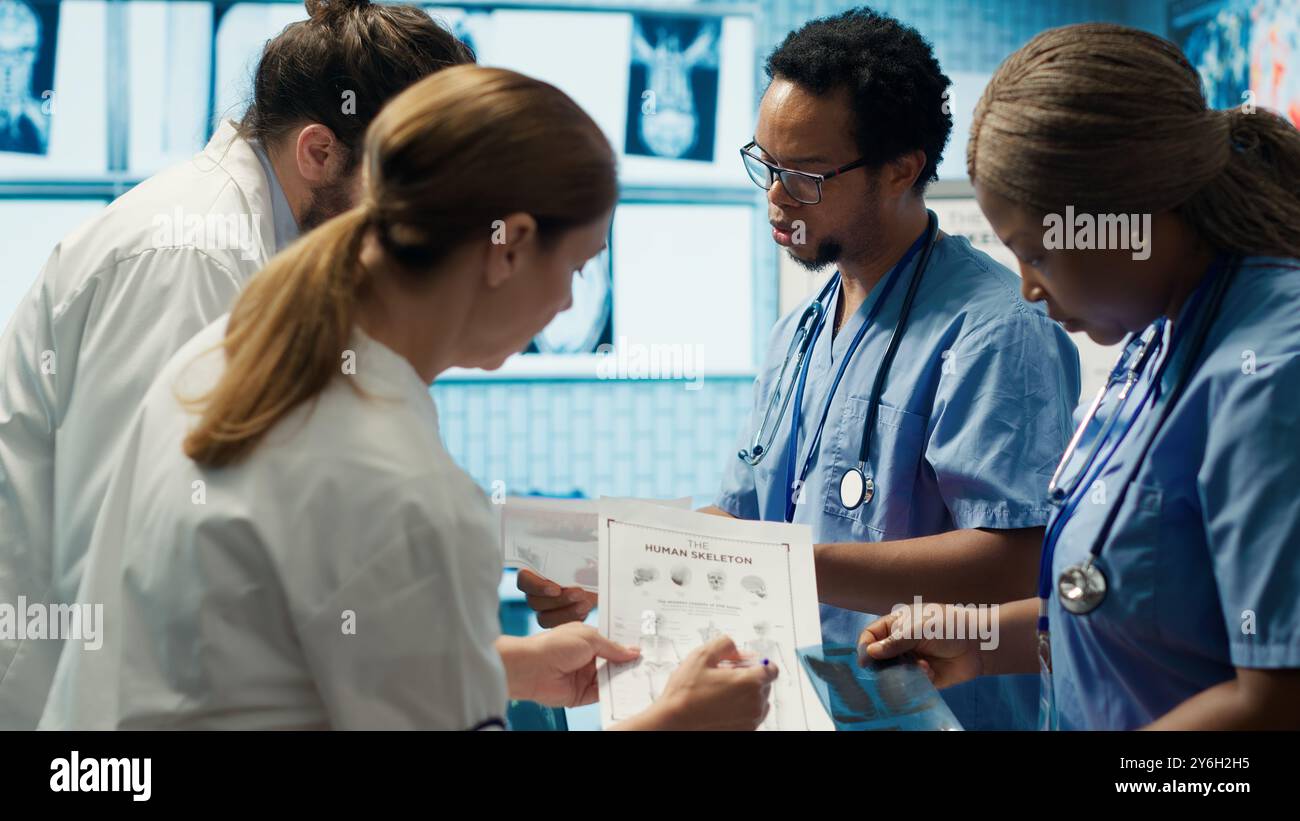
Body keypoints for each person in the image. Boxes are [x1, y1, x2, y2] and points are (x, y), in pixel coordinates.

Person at [39, 65, 777, 731]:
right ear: (510, 244)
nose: (566, 303)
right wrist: (675, 723)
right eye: (578, 267)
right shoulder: (405, 487)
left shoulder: (237, 343)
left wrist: (498, 668)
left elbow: (285, 636)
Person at [519, 7, 1080, 730]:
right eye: (766, 164)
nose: (776, 196)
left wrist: (790, 567)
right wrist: (617, 576)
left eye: (805, 176)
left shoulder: (998, 330)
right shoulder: (801, 330)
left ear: (901, 170)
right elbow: (746, 518)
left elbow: (1017, 557)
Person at [0, 0, 474, 729]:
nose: (415, 230)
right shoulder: (193, 256)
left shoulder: (263, 246)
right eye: (408, 192)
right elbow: (138, 561)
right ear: (319, 151)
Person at [863, 23, 1300, 730]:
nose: (1028, 288)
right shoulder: (1157, 340)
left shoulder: (1272, 374)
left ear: (1125, 215)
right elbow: (1125, 611)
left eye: (1037, 253)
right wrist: (975, 639)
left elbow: (1276, 700)